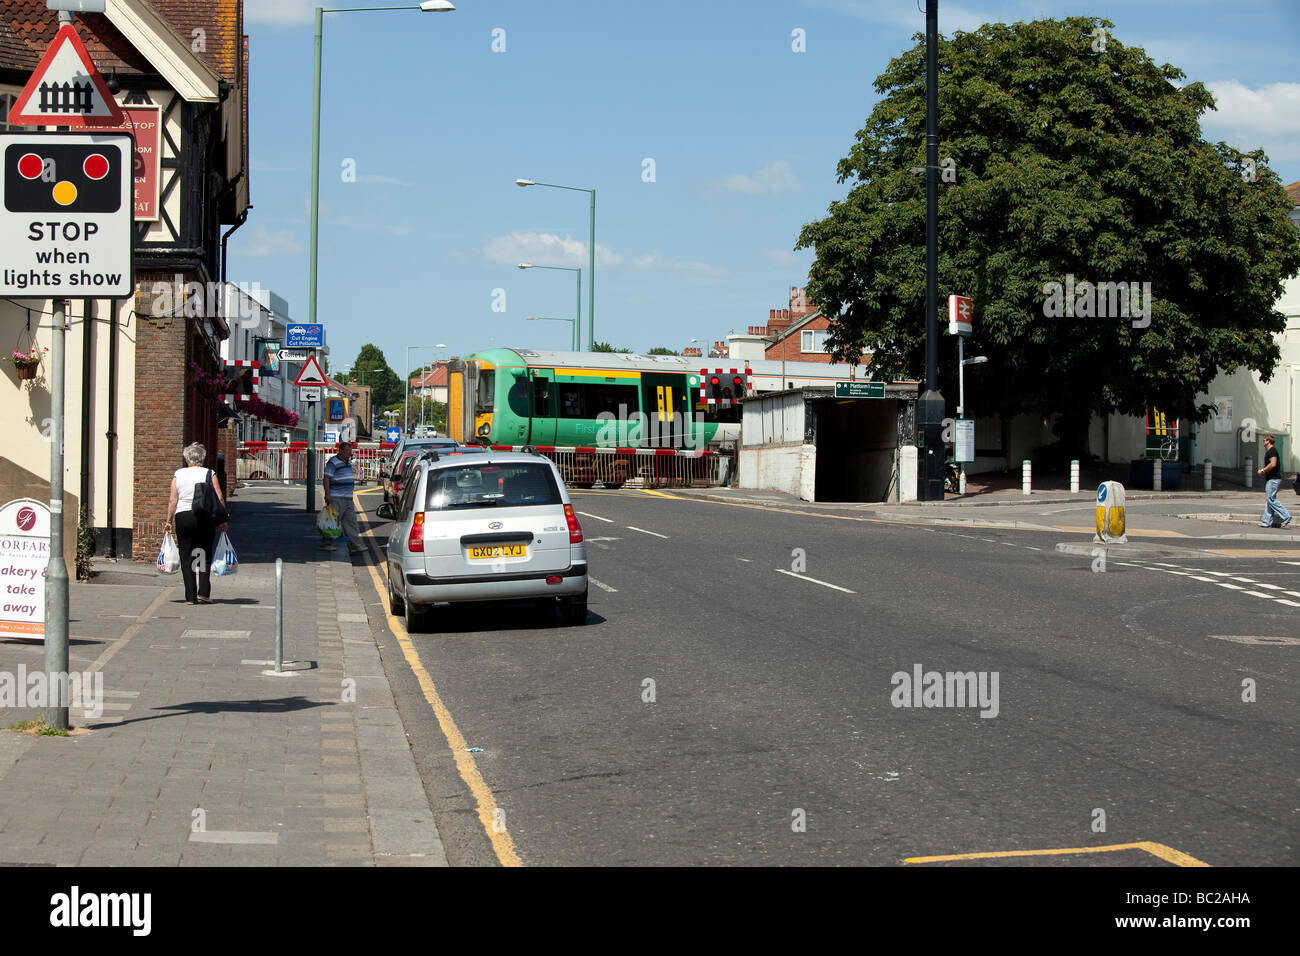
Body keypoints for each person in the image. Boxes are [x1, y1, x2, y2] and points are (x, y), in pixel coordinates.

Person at [164, 442, 229, 604]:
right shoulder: (209, 473)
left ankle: (190, 596)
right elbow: (219, 497)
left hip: (183, 517)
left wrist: (168, 521)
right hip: (204, 517)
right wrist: (222, 520)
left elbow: (173, 499)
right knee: (204, 554)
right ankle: (204, 593)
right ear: (202, 458)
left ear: (187, 458)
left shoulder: (178, 474)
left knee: (186, 556)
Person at [323, 441, 363, 555]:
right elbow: (326, 478)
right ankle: (326, 543)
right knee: (332, 522)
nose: (349, 453)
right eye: (347, 451)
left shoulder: (347, 462)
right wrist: (327, 494)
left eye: (350, 451)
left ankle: (355, 545)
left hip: (348, 498)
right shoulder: (333, 462)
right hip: (336, 497)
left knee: (351, 522)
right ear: (340, 451)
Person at [1257, 435, 1292, 529]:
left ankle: (1286, 516)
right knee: (1269, 501)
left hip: (1273, 479)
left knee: (1271, 499)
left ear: (1268, 441)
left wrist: (1263, 470)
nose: (1263, 442)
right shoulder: (1270, 451)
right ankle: (1266, 522)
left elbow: (1273, 464)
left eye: (1264, 440)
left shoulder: (1272, 451)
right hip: (1272, 479)